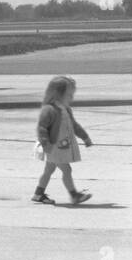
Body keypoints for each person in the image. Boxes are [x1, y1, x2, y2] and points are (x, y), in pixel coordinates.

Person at [33, 76, 93, 204]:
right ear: (59, 93)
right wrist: (46, 143)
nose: (71, 97)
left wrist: (85, 137)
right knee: (67, 170)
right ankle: (74, 195)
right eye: (69, 94)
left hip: (61, 146)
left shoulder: (65, 109)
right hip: (53, 146)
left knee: (49, 170)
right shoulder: (49, 109)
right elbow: (42, 128)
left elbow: (74, 125)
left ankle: (38, 193)